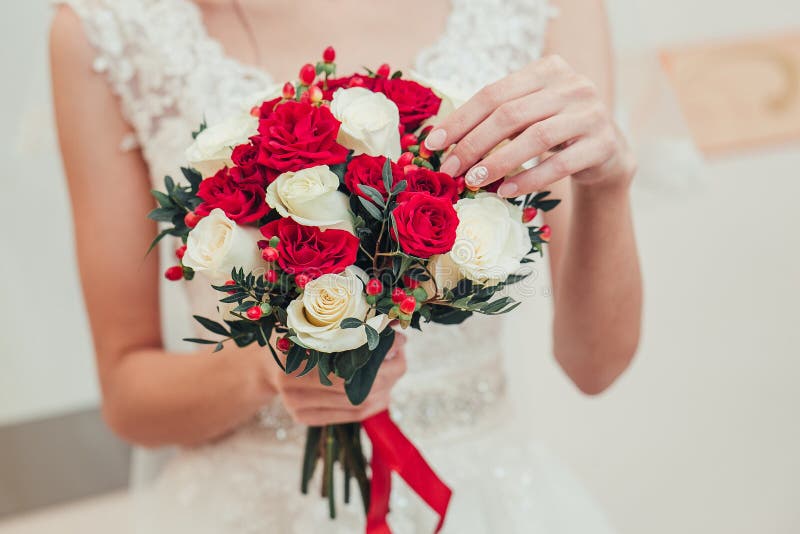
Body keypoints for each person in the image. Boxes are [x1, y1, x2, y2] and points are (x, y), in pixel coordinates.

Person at [50, 0, 642, 531]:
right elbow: (127, 396)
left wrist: (609, 183)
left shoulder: (546, 7)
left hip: (484, 496)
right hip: (253, 505)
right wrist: (263, 373)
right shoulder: (108, 28)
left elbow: (595, 368)